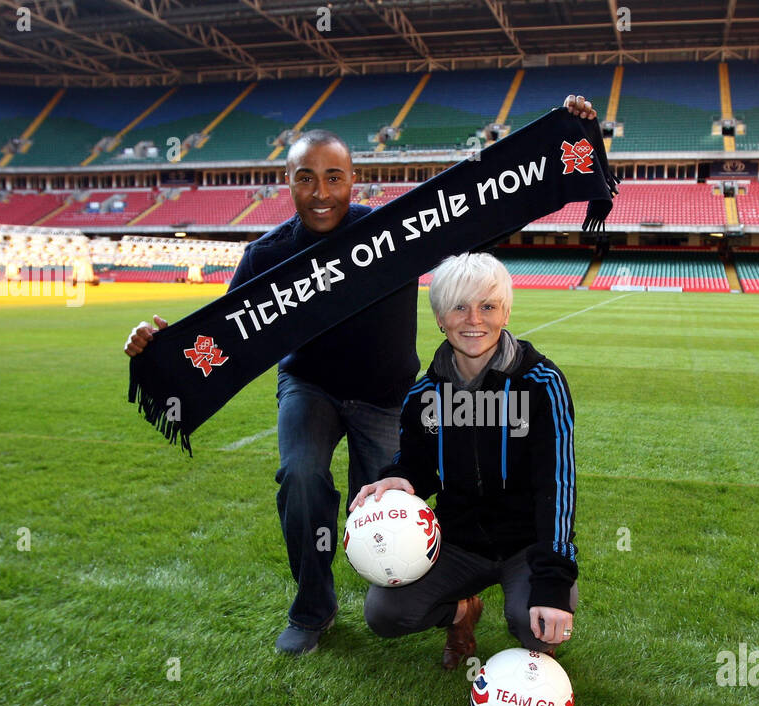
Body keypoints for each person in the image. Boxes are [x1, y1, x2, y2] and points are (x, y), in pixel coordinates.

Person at [125, 96, 597, 657]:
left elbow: (485, 196)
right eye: (305, 178)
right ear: (287, 182)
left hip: (388, 395)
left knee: (394, 510)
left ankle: (460, 600)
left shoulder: (393, 235)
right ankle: (312, 610)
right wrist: (159, 350)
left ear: (355, 181)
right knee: (301, 479)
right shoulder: (264, 255)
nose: (320, 192)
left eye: (333, 177)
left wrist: (570, 132)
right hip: (310, 388)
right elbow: (228, 341)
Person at [350, 252, 577, 669]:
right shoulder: (422, 396)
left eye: (487, 306)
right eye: (459, 306)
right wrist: (398, 478)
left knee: (535, 629)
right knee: (384, 614)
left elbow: (557, 485)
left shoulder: (542, 383)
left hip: (525, 544)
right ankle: (461, 613)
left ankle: (528, 602)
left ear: (505, 312)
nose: (474, 319)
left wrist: (553, 582)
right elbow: (415, 464)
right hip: (458, 542)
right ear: (439, 316)